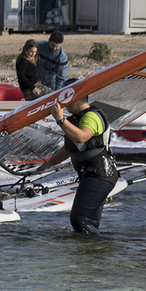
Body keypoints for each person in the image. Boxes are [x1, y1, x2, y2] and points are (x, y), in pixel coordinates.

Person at [48, 97, 117, 233]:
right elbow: (69, 149)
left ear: (75, 99)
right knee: (90, 222)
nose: (64, 105)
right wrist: (47, 165)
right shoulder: (78, 118)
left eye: (66, 101)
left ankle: (90, 250)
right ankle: (95, 251)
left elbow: (82, 137)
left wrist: (60, 120)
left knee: (80, 220)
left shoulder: (91, 116)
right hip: (96, 175)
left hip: (99, 175)